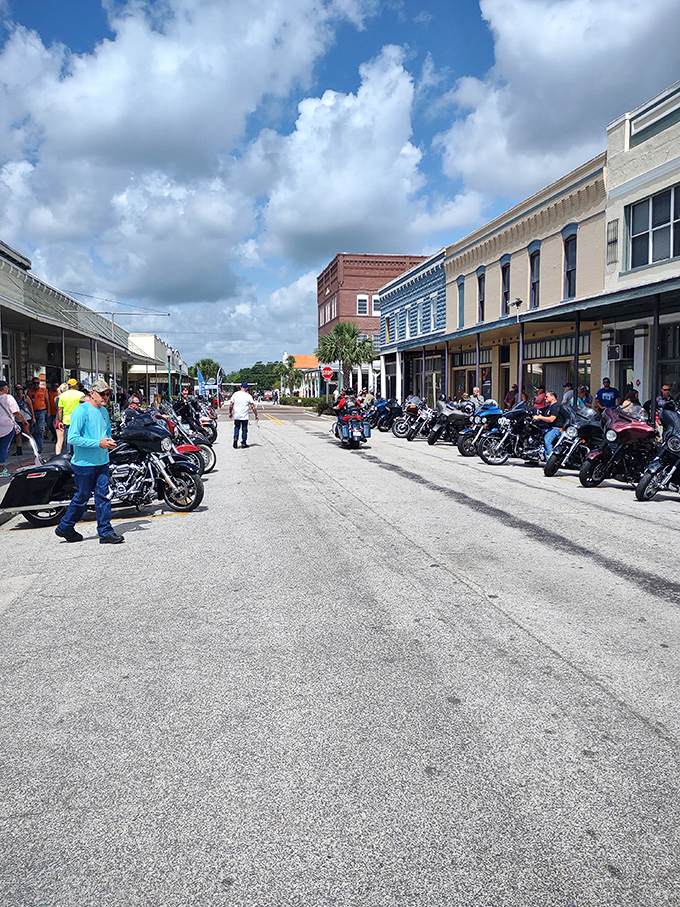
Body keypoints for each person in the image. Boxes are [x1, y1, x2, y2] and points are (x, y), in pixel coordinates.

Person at [54, 379, 123, 544]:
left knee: (103, 496)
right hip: (84, 464)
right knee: (82, 497)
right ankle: (65, 526)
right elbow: (73, 438)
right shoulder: (81, 411)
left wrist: (110, 442)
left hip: (102, 461)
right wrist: (98, 443)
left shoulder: (104, 412)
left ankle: (105, 532)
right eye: (102, 394)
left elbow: (105, 433)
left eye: (108, 394)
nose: (105, 397)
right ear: (92, 393)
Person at [0, 381, 30, 477]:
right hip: (6, 426)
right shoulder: (8, 397)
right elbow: (16, 412)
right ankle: (1, 469)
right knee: (3, 447)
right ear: (4, 388)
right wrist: (24, 420)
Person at [532, 390, 567, 459]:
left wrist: (540, 417)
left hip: (555, 428)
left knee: (547, 441)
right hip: (547, 428)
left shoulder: (556, 406)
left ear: (553, 397)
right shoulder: (548, 407)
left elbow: (551, 419)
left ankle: (549, 461)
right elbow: (541, 413)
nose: (545, 398)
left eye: (547, 396)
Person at [229, 381, 258, 448]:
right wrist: (256, 414)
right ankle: (243, 443)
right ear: (246, 388)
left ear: (240, 387)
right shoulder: (248, 396)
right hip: (244, 416)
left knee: (237, 428)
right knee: (244, 429)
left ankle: (235, 439)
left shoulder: (235, 394)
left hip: (237, 415)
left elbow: (231, 404)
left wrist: (230, 412)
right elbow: (253, 407)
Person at [57, 378, 84, 452]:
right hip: (79, 420)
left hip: (67, 420)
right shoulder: (81, 394)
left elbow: (60, 409)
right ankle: (78, 453)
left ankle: (69, 453)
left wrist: (60, 420)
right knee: (79, 437)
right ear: (75, 385)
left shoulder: (63, 395)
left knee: (69, 438)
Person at [27, 376, 49, 453]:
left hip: (41, 411)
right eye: (34, 383)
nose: (36, 384)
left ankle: (40, 446)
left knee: (40, 429)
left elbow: (47, 401)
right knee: (34, 430)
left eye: (37, 383)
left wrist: (48, 412)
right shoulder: (29, 391)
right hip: (32, 412)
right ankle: (35, 445)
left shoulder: (44, 390)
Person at [12, 384, 34, 457]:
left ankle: (34, 447)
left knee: (27, 433)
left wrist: (33, 417)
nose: (19, 391)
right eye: (17, 389)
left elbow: (30, 407)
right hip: (17, 418)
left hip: (26, 417)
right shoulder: (14, 398)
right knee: (18, 433)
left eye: (20, 389)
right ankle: (19, 449)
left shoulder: (26, 398)